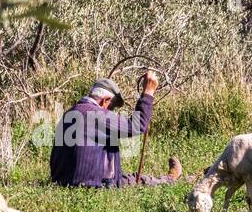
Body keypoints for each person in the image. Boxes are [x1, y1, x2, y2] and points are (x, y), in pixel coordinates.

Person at [49, 71, 182, 188]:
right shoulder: (96, 114)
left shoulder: (70, 112)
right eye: (111, 108)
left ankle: (169, 178)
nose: (111, 112)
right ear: (105, 101)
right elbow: (138, 125)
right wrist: (148, 93)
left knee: (131, 178)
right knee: (137, 181)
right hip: (89, 184)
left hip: (62, 181)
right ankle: (170, 179)